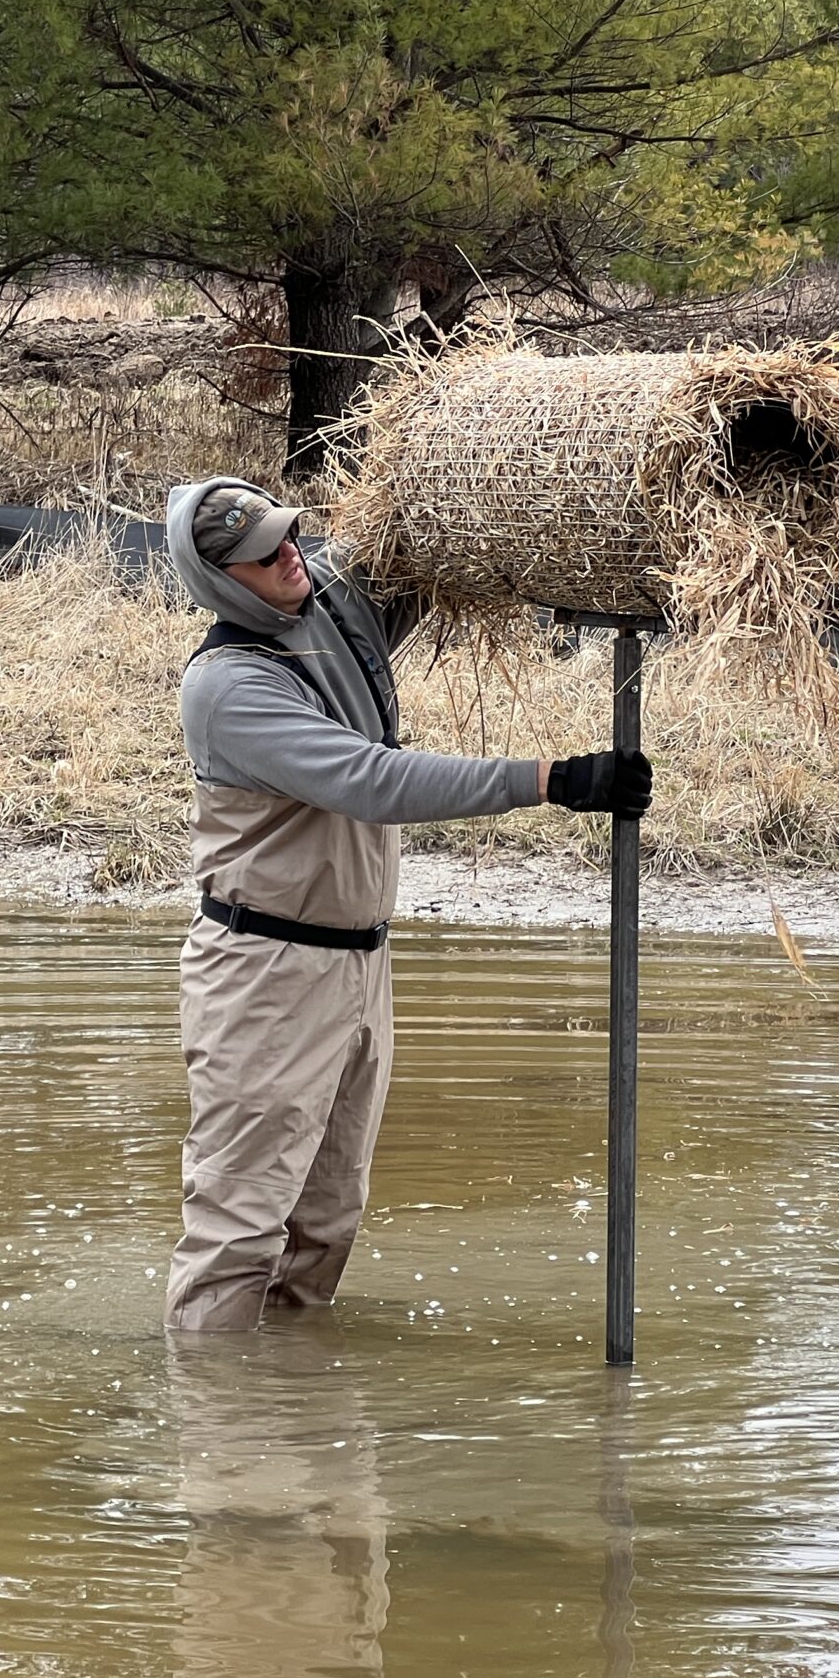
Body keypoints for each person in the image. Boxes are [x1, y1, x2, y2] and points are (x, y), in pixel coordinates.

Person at [162, 477, 652, 1333]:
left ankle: (292, 1408)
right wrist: (553, 781)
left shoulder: (329, 600)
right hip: (265, 980)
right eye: (260, 555)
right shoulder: (228, 688)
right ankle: (219, 1432)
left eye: (287, 535)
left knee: (325, 1222)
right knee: (239, 1231)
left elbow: (415, 538)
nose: (288, 556)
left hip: (358, 966)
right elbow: (371, 781)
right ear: (219, 581)